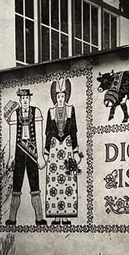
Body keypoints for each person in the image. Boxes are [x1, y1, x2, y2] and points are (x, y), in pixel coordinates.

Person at [4, 88, 46, 226]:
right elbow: (11, 136)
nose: (25, 101)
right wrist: (11, 157)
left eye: (27, 98)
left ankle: (39, 218)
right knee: (17, 186)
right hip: (19, 152)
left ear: (30, 99)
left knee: (35, 186)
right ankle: (12, 218)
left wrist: (40, 156)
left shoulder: (36, 112)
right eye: (22, 99)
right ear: (20, 101)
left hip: (32, 153)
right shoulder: (14, 115)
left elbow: (39, 135)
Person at [44, 78, 81, 224]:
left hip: (67, 147)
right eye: (58, 96)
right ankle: (55, 216)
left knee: (67, 181)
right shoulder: (51, 111)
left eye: (63, 96)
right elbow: (48, 133)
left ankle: (65, 216)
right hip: (54, 149)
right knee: (53, 183)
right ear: (55, 97)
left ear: (66, 97)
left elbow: (73, 131)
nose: (60, 99)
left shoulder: (71, 109)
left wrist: (76, 151)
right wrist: (46, 152)